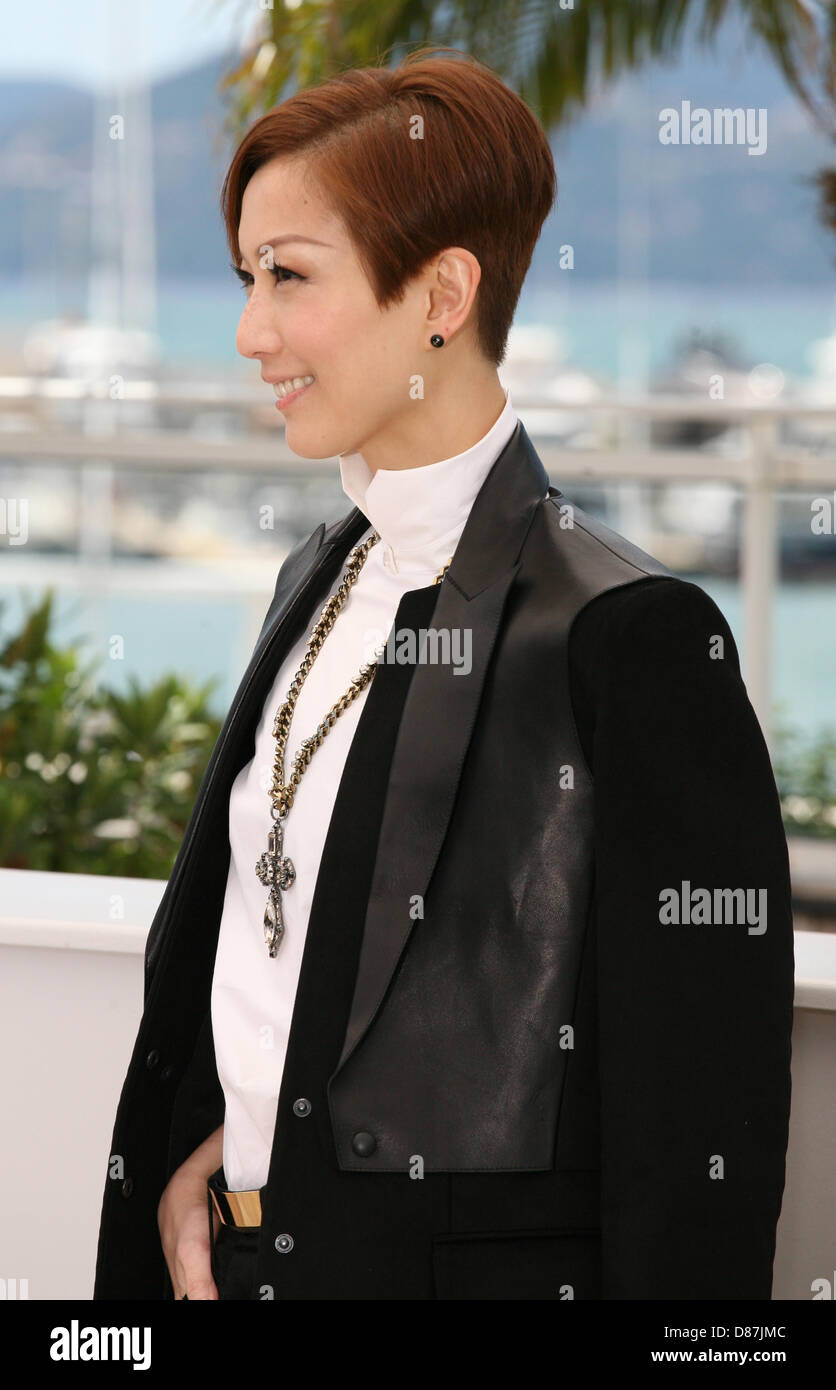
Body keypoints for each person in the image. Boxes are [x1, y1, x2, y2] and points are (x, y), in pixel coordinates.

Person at [93, 47, 794, 1302]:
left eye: (288, 277)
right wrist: (234, 1159)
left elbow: (694, 1136)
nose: (251, 332)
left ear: (442, 294)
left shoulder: (628, 635)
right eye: (247, 278)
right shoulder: (316, 575)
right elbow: (297, 964)